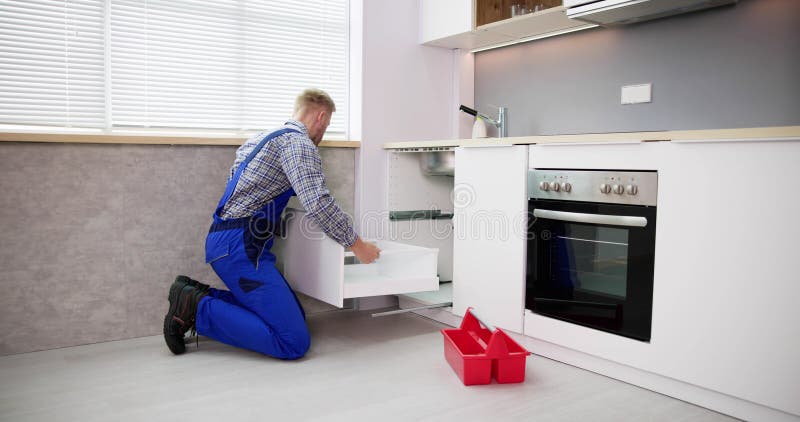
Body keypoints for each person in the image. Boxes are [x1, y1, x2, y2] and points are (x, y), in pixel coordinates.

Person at [163, 89, 380, 359]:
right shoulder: (298, 144)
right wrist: (356, 245)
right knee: (292, 342)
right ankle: (196, 308)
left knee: (295, 317)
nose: (324, 134)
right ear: (321, 116)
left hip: (231, 241)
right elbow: (318, 203)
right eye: (327, 125)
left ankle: (193, 294)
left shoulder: (260, 140)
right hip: (240, 248)